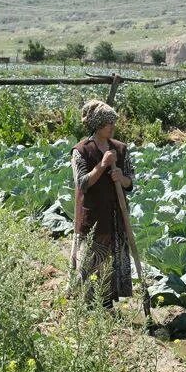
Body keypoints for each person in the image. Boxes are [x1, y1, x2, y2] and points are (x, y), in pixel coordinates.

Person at [70, 99, 135, 307]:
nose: (113, 127)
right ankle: (88, 305)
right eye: (109, 124)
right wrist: (102, 165)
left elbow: (130, 182)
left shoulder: (121, 149)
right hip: (94, 216)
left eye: (113, 123)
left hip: (116, 216)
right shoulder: (81, 151)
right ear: (98, 125)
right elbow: (82, 183)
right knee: (92, 261)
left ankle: (107, 304)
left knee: (113, 262)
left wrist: (121, 178)